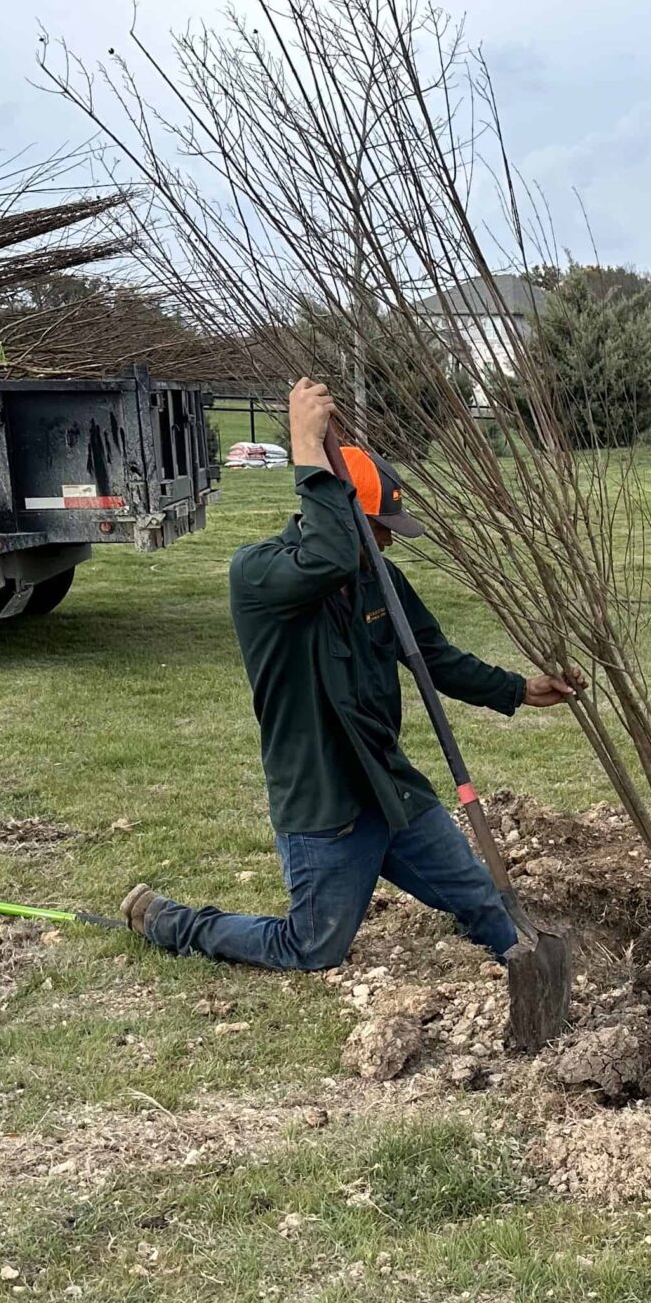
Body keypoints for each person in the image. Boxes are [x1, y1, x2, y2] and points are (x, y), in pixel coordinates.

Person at [122, 378, 580, 970]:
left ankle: (523, 967)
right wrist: (309, 451)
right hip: (326, 805)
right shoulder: (258, 577)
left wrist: (518, 689)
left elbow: (433, 655)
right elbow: (331, 555)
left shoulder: (379, 582)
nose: (390, 539)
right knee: (312, 947)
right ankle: (171, 921)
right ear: (346, 517)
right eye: (381, 526)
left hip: (390, 788)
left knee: (483, 904)